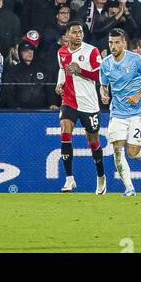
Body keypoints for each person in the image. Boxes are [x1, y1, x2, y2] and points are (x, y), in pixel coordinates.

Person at [99, 27, 141, 197]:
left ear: (124, 43)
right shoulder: (105, 64)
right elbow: (104, 86)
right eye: (110, 42)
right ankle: (129, 188)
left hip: (138, 112)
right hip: (117, 113)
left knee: (132, 153)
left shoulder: (137, 60)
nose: (113, 46)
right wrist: (104, 95)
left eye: (117, 42)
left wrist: (138, 95)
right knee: (117, 151)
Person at [56, 20, 106, 194]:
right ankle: (69, 179)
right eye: (75, 32)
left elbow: (100, 74)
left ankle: (101, 177)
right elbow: (62, 69)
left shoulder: (91, 51)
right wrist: (60, 84)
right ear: (68, 35)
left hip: (89, 104)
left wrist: (81, 71)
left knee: (93, 141)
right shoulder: (61, 52)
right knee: (65, 131)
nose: (79, 35)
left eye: (81, 32)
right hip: (69, 101)